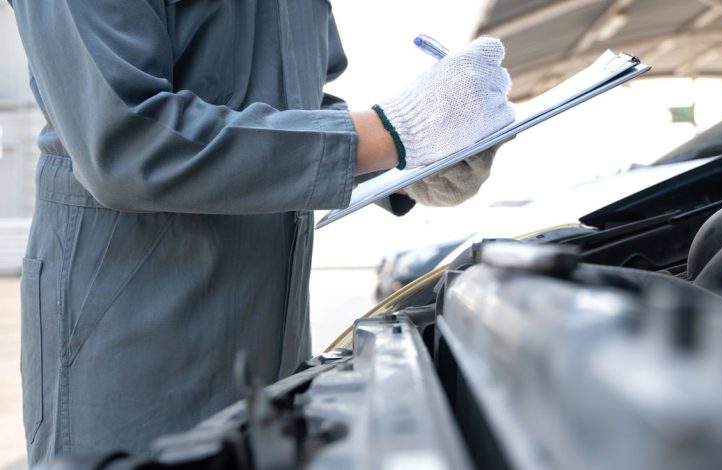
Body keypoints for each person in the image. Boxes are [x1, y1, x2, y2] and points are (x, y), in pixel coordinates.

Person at [11, 0, 514, 466]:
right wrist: (387, 135)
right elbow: (126, 139)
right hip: (135, 329)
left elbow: (281, 103)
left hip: (271, 336)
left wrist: (408, 162)